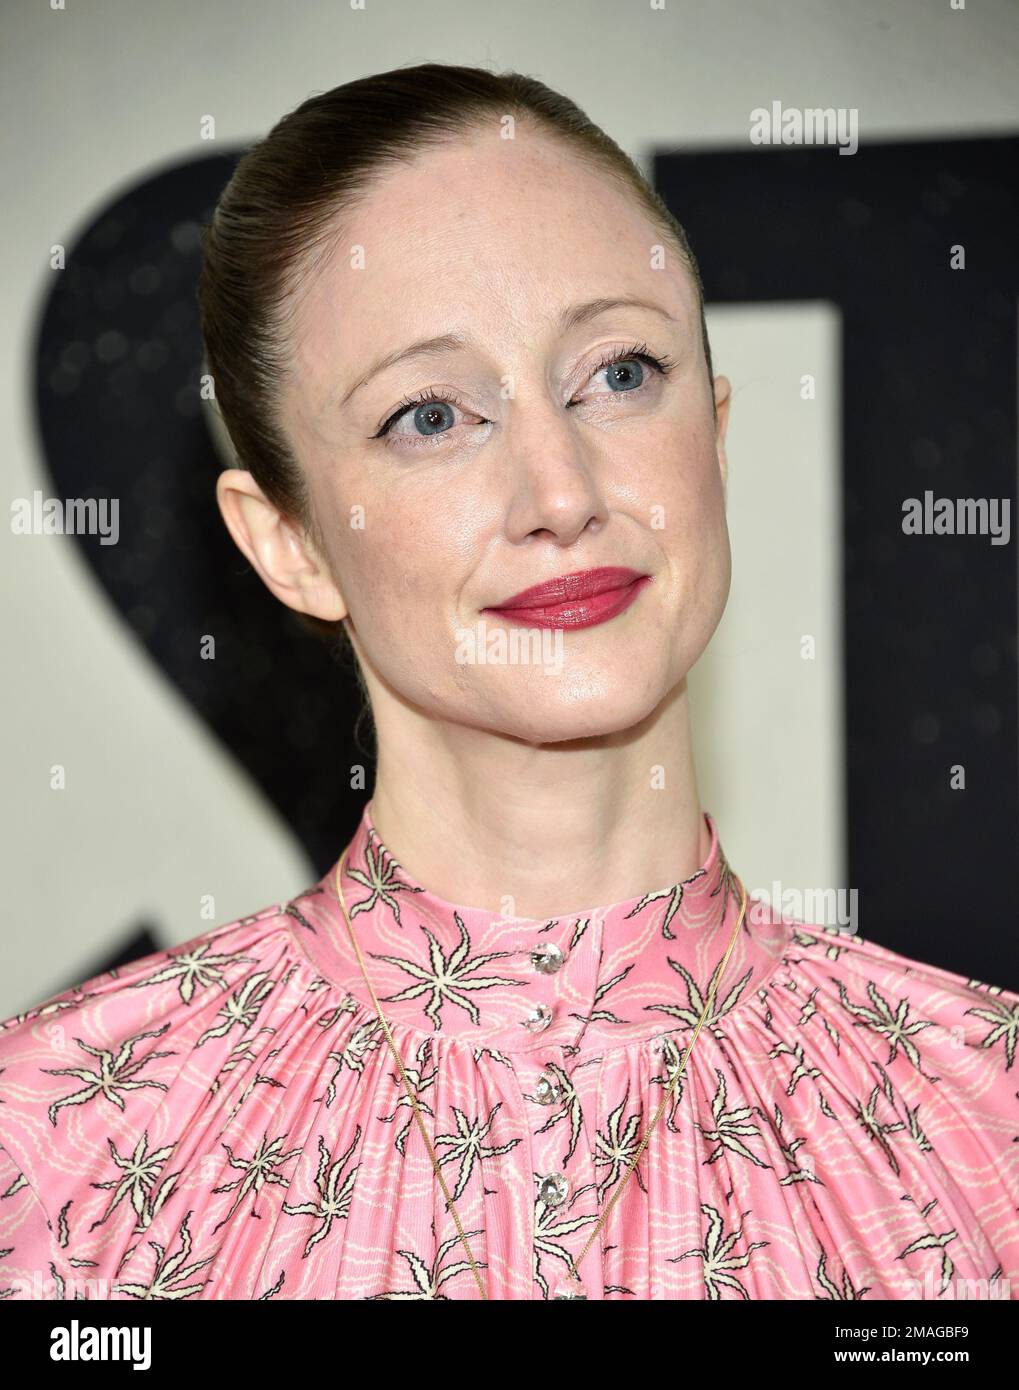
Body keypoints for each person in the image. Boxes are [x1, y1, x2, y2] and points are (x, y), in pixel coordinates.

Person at [2, 62, 1017, 1303]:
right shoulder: (54, 1150)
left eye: (619, 375)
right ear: (290, 542)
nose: (562, 493)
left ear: (714, 427)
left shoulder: (990, 1122)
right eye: (430, 415)